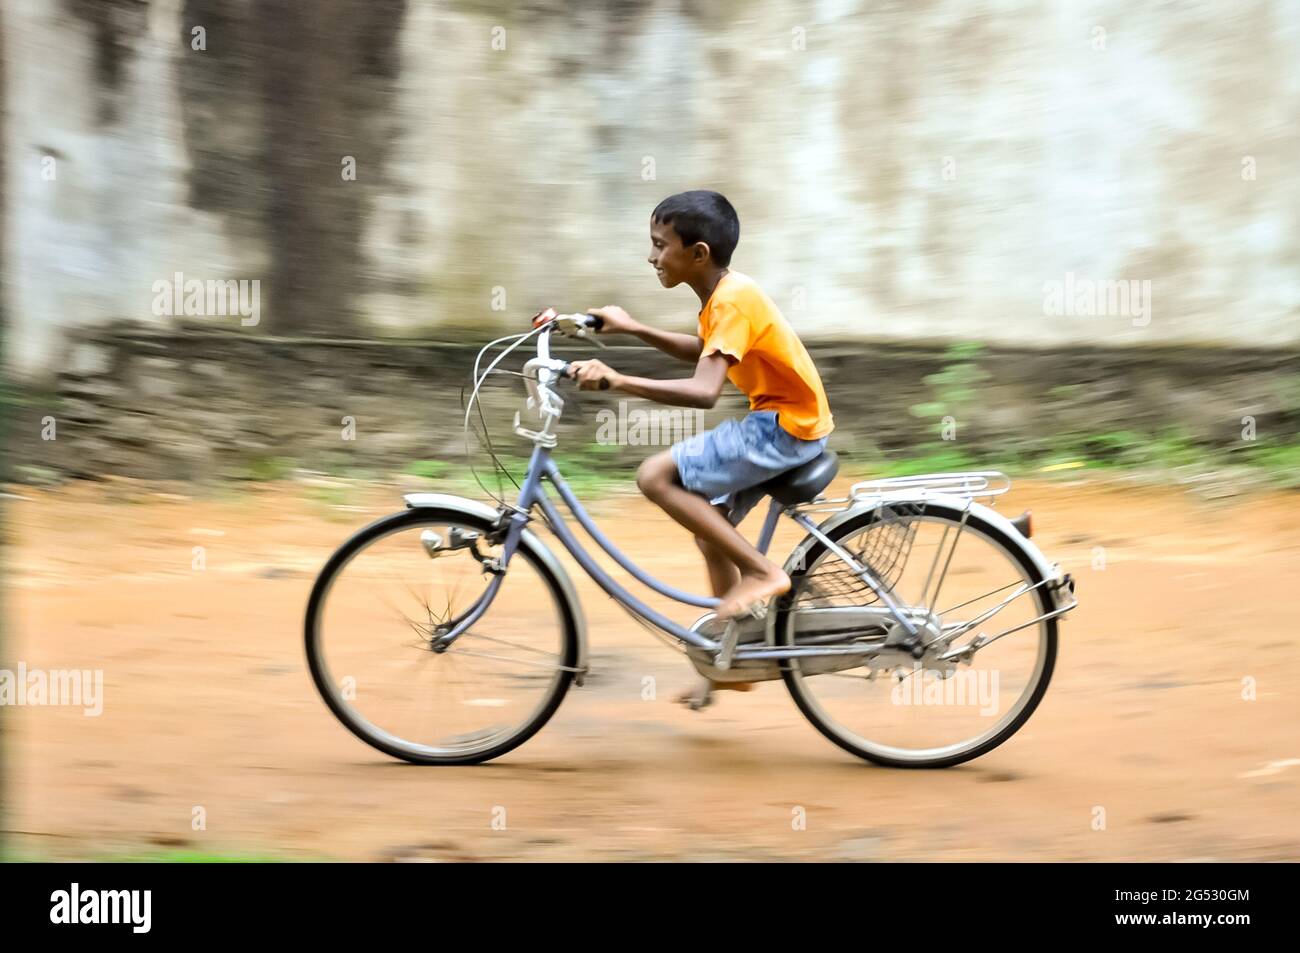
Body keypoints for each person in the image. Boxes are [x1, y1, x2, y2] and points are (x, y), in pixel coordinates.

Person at [560, 190, 834, 699]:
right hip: (788, 423)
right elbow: (704, 351)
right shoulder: (724, 295)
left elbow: (705, 391)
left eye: (660, 244)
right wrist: (632, 328)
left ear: (698, 253)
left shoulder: (731, 300)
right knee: (710, 531)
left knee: (654, 476)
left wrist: (618, 380)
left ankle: (763, 572)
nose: (651, 256)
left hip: (783, 427)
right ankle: (730, 662)